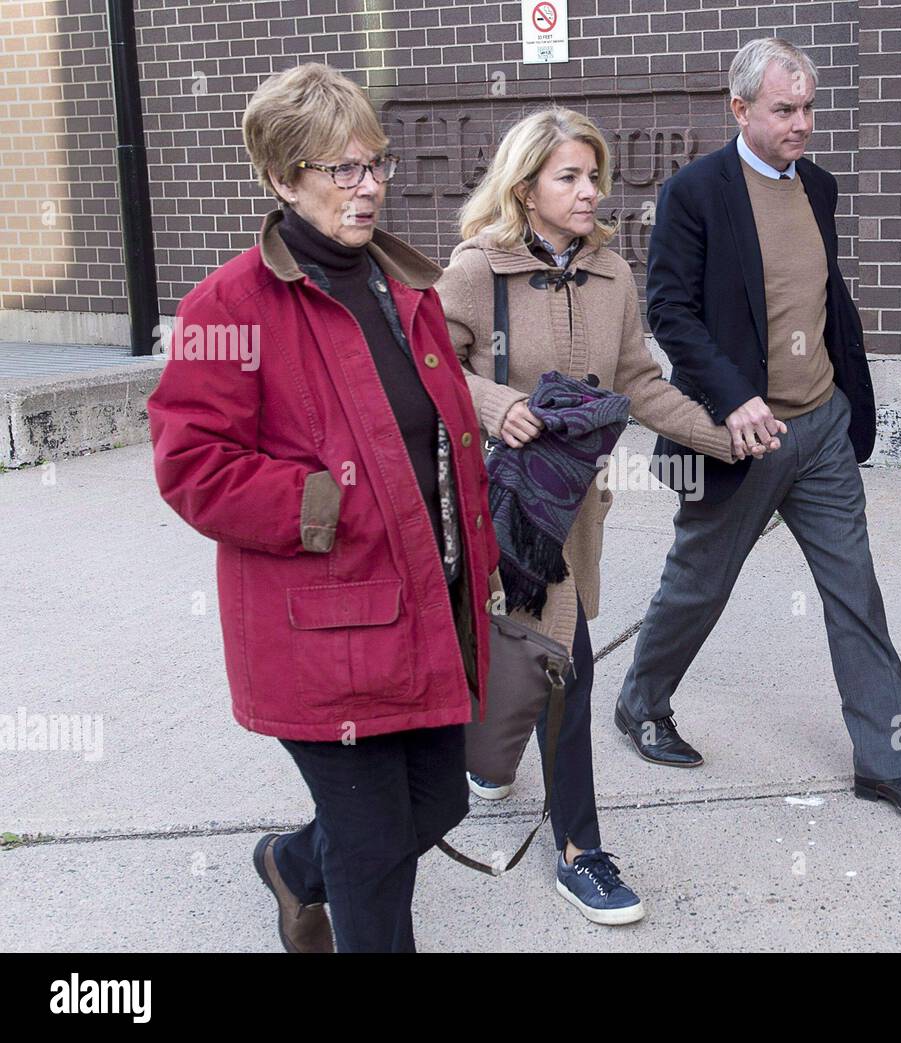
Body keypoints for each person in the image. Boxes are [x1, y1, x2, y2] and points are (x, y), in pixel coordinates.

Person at [147, 63, 500, 952]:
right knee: (377, 847)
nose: (370, 185)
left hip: (423, 605)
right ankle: (326, 879)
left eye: (375, 163)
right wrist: (319, 503)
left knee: (441, 800)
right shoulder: (227, 305)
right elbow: (191, 462)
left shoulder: (403, 290)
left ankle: (292, 865)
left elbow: (438, 439)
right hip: (322, 624)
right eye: (342, 169)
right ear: (281, 178)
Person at [435, 106, 778, 924]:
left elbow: (641, 383)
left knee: (526, 654)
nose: (590, 191)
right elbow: (426, 372)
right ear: (525, 187)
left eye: (595, 176)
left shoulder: (612, 274)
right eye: (570, 177)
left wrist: (724, 434)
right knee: (568, 669)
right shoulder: (477, 270)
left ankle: (488, 762)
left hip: (575, 511)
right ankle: (579, 852)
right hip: (504, 510)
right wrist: (490, 401)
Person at [613, 38, 901, 816]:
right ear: (741, 110)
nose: (802, 123)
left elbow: (821, 299)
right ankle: (640, 703)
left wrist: (843, 396)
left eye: (808, 108)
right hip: (745, 436)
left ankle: (886, 763)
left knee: (856, 593)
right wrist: (732, 397)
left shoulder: (820, 187)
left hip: (822, 429)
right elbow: (669, 310)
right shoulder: (696, 193)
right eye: (785, 110)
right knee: (699, 584)